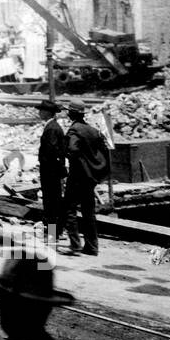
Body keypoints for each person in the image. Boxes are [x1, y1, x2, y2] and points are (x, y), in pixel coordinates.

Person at [65, 101, 108, 256]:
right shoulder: (93, 130)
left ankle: (75, 245)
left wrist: (69, 156)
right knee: (88, 212)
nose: (67, 113)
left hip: (77, 177)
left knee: (68, 209)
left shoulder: (74, 130)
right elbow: (103, 151)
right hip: (90, 178)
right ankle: (92, 246)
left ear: (73, 114)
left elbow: (72, 149)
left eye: (69, 111)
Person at [36, 100, 67, 246]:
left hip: (51, 171)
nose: (39, 112)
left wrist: (49, 168)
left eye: (41, 110)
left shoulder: (52, 128)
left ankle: (53, 234)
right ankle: (55, 232)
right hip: (52, 170)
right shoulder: (52, 126)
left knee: (51, 202)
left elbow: (53, 151)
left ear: (47, 112)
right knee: (52, 201)